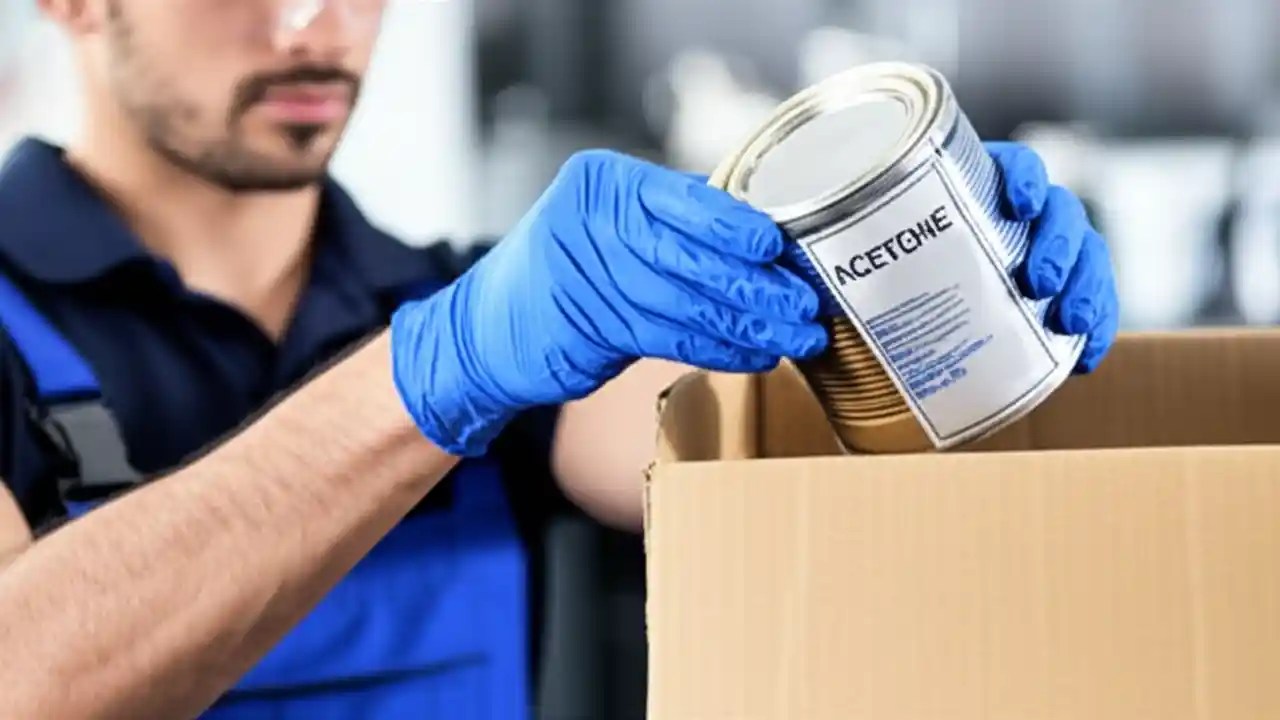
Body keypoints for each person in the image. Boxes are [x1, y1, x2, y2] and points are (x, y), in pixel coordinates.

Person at [0, 0, 1119, 718]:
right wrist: (433, 373)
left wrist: (914, 288)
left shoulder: (483, 304)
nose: (315, 23)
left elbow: (755, 444)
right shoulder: (471, 329)